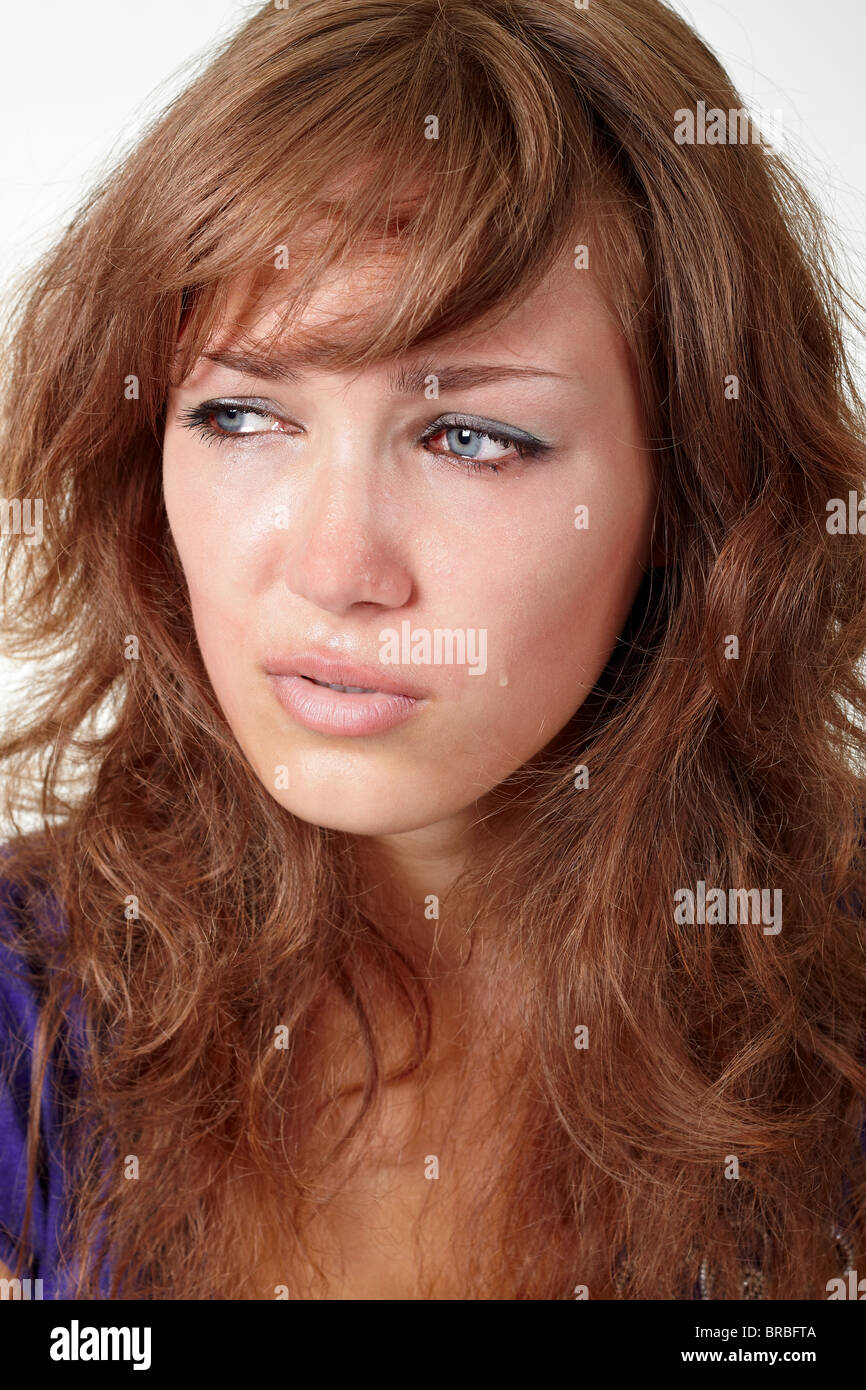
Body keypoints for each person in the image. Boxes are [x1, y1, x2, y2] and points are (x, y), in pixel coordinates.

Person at [1, 0, 864, 1301]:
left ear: (690, 490)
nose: (334, 567)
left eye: (470, 438)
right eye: (241, 413)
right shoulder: (30, 1002)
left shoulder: (834, 1010)